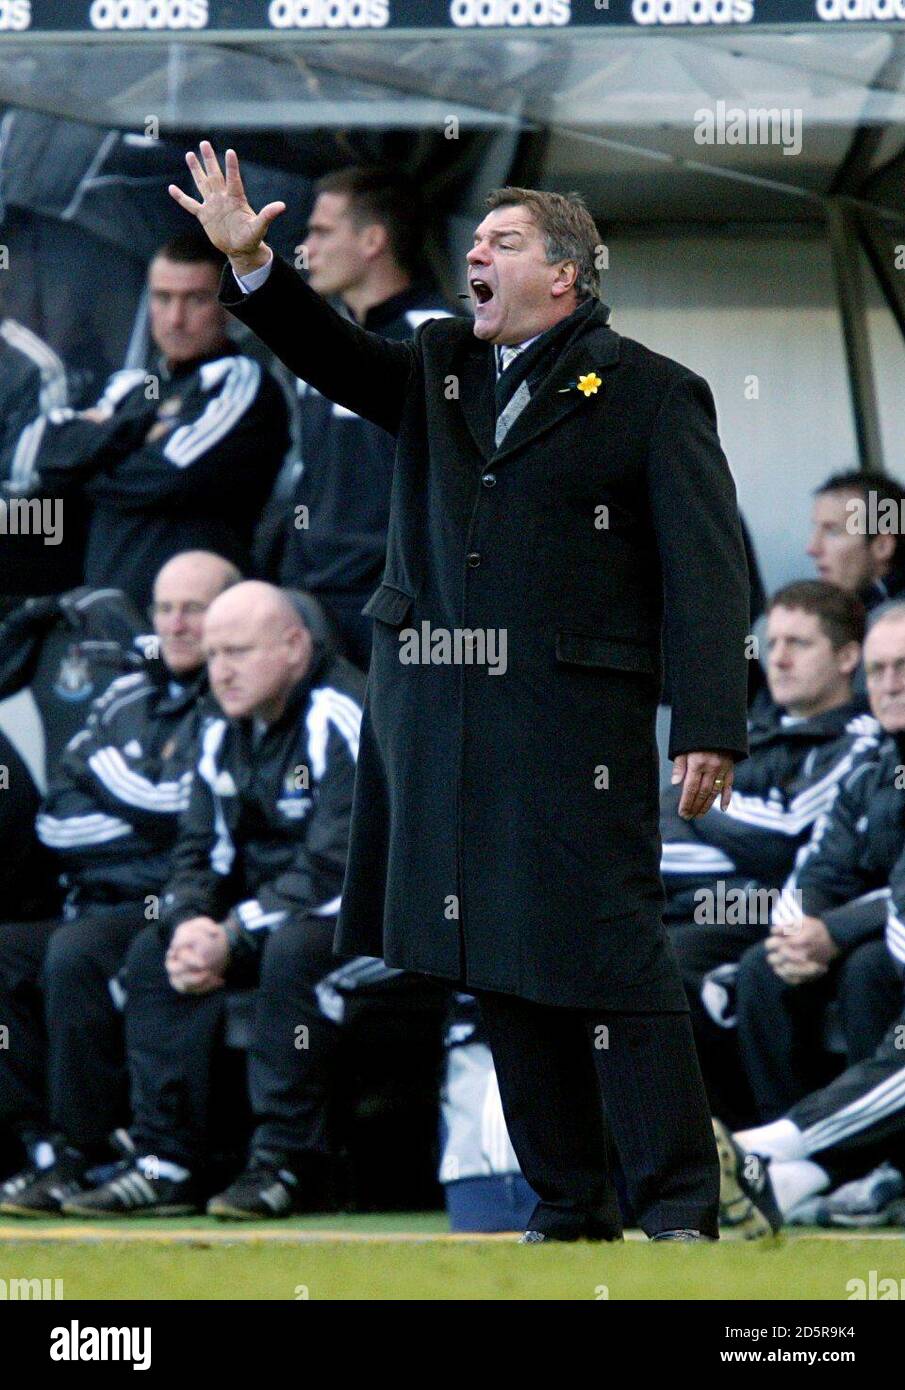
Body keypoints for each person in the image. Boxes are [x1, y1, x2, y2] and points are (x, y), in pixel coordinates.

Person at [170, 142, 751, 1243]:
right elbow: (331, 355)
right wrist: (253, 265)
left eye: (502, 242)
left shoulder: (652, 393)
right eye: (475, 240)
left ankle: (677, 1208)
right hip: (436, 721)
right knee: (501, 966)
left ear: (565, 276)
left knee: (618, 960)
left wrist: (710, 724)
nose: (473, 252)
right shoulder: (436, 361)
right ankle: (569, 1206)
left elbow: (705, 576)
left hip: (573, 724)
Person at [64, 582, 366, 1219]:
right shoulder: (217, 722)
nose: (220, 671)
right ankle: (165, 1161)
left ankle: (284, 1163)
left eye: (238, 653)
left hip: (372, 922)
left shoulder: (340, 712)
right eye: (214, 654)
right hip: (265, 916)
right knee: (155, 954)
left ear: (293, 646)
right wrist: (188, 922)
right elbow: (197, 852)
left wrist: (233, 931)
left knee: (295, 950)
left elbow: (338, 867)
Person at [0, 551, 238, 1215]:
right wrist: (138, 812)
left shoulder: (237, 690)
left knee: (77, 954)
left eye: (193, 607)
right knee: (10, 951)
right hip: (105, 896)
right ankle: (44, 1146)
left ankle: (95, 1152)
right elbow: (57, 818)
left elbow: (189, 812)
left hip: (187, 903)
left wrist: (112, 787)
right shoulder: (126, 691)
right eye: (164, 608)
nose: (176, 623)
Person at [664, 581, 878, 1126]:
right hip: (692, 898)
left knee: (666, 967)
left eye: (798, 644)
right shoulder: (751, 730)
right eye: (771, 641)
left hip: (773, 907)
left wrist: (697, 791)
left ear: (848, 656)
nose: (776, 658)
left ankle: (744, 1147)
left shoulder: (860, 738)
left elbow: (786, 832)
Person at [24, 231, 289, 610]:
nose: (175, 318)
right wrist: (137, 435)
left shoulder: (239, 380)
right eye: (163, 298)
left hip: (199, 614)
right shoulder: (133, 386)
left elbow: (170, 475)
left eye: (195, 299)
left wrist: (92, 458)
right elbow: (47, 456)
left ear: (225, 306)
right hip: (108, 607)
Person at [262, 166, 452, 668]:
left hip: (398, 605)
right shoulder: (319, 346)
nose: (307, 248)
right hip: (311, 595)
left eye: (322, 231)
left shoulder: (440, 338)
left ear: (372, 239)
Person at [732, 603, 905, 1134]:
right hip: (865, 926)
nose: (890, 685)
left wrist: (835, 929)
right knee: (767, 964)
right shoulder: (874, 767)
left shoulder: (855, 744)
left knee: (868, 968)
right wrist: (799, 930)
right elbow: (821, 868)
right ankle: (767, 1161)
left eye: (903, 667)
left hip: (881, 937)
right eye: (878, 672)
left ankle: (855, 1163)